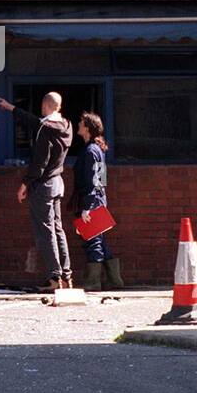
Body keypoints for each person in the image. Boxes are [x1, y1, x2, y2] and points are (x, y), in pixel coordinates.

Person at [0, 91, 73, 291]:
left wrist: (25, 184)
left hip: (44, 185)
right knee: (58, 230)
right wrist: (12, 107)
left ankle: (55, 278)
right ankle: (66, 276)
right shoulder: (66, 126)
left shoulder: (45, 129)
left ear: (44, 105)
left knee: (46, 232)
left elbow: (39, 162)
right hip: (58, 182)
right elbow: (36, 122)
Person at [71, 112, 124, 291]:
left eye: (81, 122)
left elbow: (94, 180)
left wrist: (88, 207)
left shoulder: (90, 151)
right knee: (99, 240)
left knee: (92, 241)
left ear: (87, 127)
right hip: (97, 200)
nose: (78, 124)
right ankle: (114, 280)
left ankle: (93, 282)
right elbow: (102, 180)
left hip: (91, 202)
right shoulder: (97, 149)